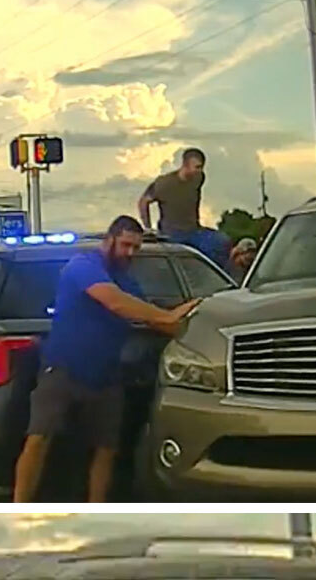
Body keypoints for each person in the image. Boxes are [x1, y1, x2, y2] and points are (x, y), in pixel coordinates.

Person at [13, 216, 199, 503]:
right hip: (63, 368)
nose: (130, 253)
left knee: (106, 449)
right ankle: (19, 507)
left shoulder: (128, 281)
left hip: (107, 375)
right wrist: (166, 315)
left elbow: (147, 316)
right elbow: (113, 301)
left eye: (136, 247)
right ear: (109, 239)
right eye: (125, 245)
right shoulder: (84, 266)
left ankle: (95, 508)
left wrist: (189, 316)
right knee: (39, 438)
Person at [138, 148, 232, 273]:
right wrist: (148, 228)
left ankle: (212, 274)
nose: (200, 170)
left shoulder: (199, 179)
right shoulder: (165, 183)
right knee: (177, 257)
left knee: (221, 241)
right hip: (172, 232)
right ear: (186, 165)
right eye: (197, 167)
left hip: (193, 230)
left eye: (201, 167)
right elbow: (143, 202)